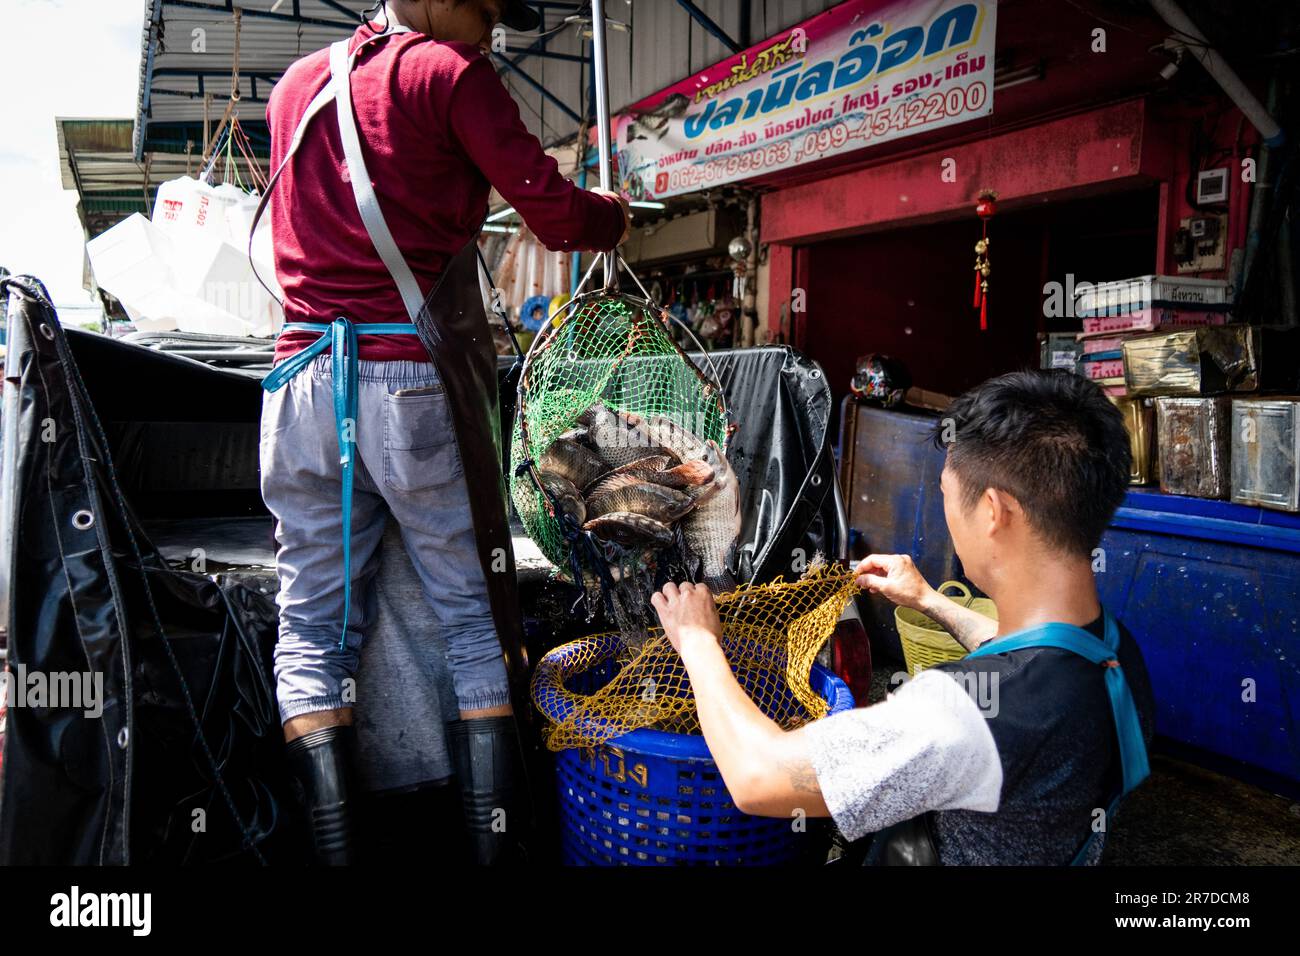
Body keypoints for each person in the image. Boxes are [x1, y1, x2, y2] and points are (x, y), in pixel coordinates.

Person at [258, 0, 630, 865]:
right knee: (470, 618)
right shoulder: (451, 76)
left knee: (311, 629)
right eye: (486, 6)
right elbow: (561, 218)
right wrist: (613, 212)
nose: (492, 25)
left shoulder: (294, 87)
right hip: (404, 387)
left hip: (299, 382)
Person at [652, 369, 1156, 865]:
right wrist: (928, 599)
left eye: (944, 492)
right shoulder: (1112, 649)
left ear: (992, 511)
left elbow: (758, 777)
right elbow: (1024, 653)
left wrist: (697, 640)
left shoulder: (957, 713)